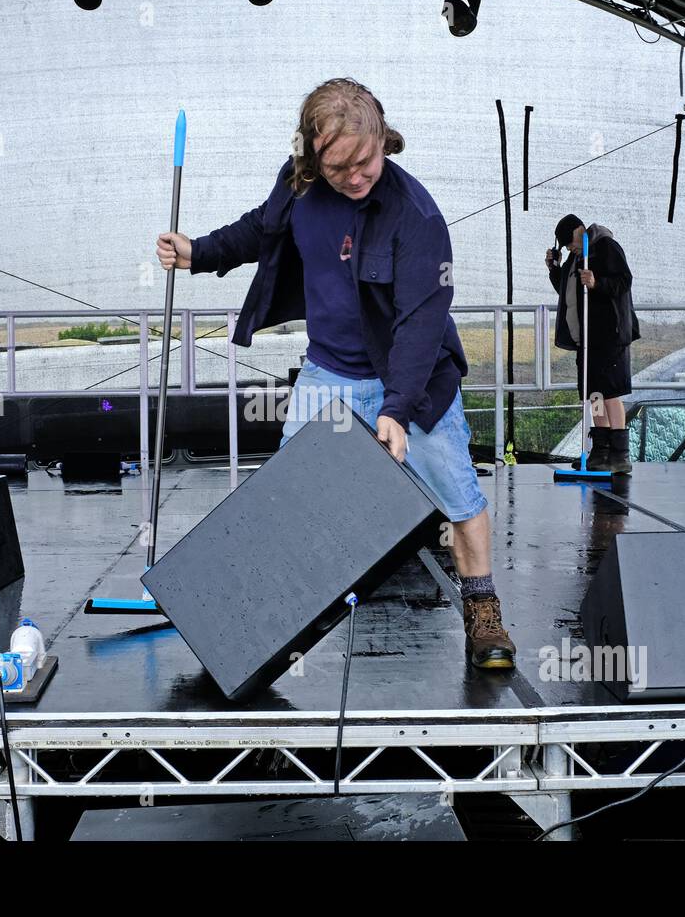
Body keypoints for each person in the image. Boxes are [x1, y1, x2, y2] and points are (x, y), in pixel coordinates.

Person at [155, 78, 515, 670]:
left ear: (383, 138)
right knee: (285, 495)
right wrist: (199, 252)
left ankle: (484, 613)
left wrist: (396, 411)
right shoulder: (298, 187)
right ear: (312, 160)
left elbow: (422, 325)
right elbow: (260, 229)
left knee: (459, 494)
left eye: (367, 159)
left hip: (414, 381)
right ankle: (256, 623)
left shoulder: (417, 217)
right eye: (341, 167)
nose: (357, 176)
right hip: (329, 373)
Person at [546, 215, 640, 473]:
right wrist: (555, 269)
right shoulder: (576, 258)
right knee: (594, 393)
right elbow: (567, 290)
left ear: (579, 231)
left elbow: (624, 281)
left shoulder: (606, 247)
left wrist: (597, 283)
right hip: (586, 339)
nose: (568, 249)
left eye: (569, 244)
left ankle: (620, 453)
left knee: (610, 391)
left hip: (608, 334)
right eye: (565, 247)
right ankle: (601, 449)